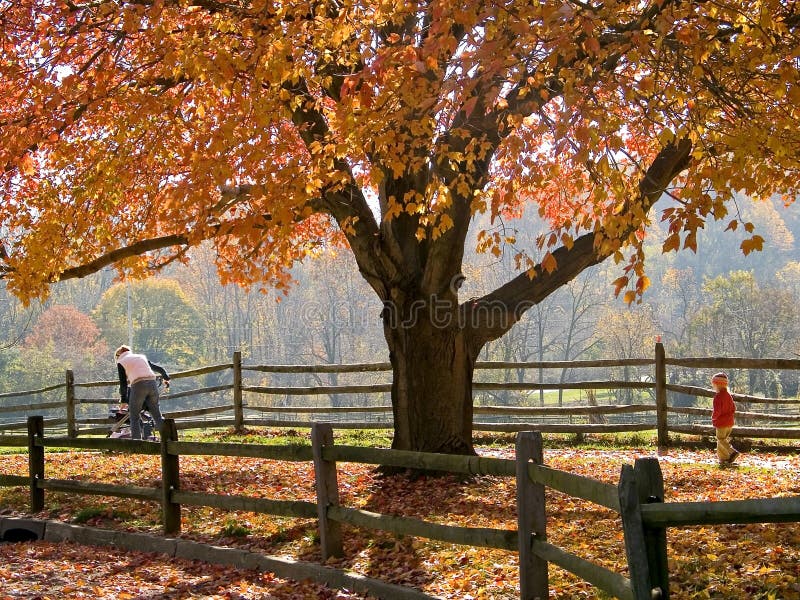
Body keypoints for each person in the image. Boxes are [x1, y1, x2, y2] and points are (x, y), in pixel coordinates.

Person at [115, 345, 170, 440]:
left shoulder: (121, 362)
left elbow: (123, 383)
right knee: (157, 415)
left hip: (138, 385)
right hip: (152, 383)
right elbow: (158, 368)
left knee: (134, 416)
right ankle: (167, 441)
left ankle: (137, 443)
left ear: (118, 355)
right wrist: (166, 377)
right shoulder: (141, 357)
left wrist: (123, 399)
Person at [711, 372, 739, 465]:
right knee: (722, 440)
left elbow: (717, 411)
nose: (713, 386)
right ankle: (724, 459)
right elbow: (734, 408)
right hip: (730, 423)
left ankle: (732, 451)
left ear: (717, 385)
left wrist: (714, 418)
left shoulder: (718, 397)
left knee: (721, 439)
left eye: (714, 384)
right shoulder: (728, 396)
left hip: (721, 423)